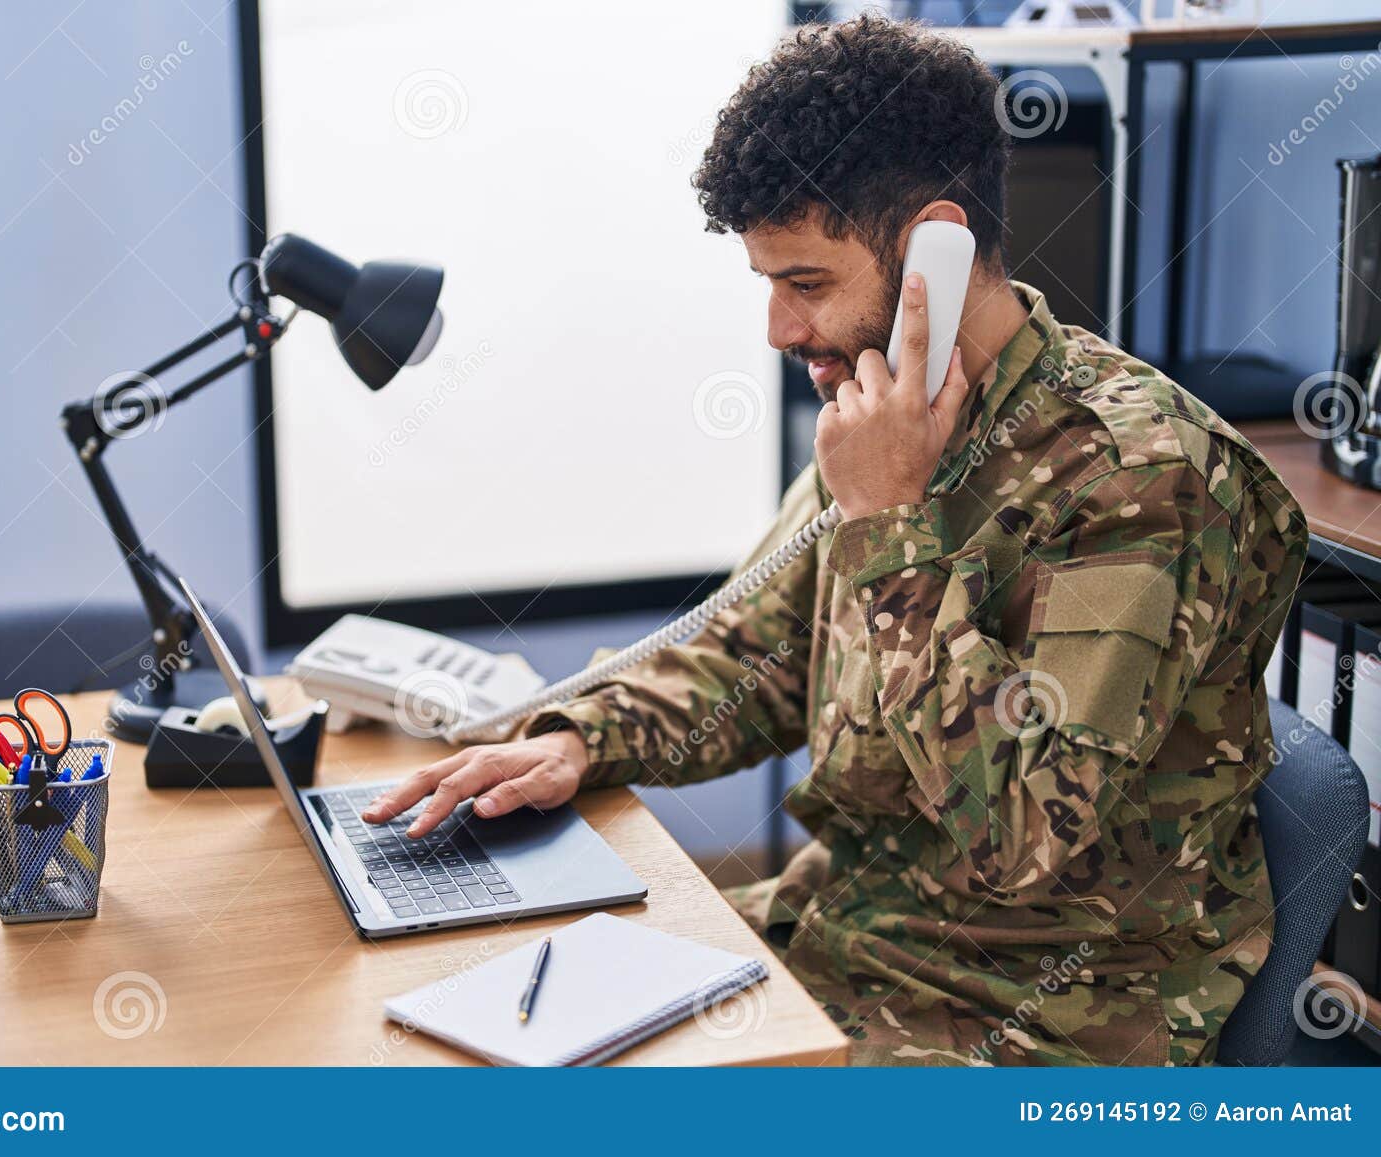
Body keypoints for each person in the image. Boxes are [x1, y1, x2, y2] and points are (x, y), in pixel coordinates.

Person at [363, 15, 1308, 1066]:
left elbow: (1023, 837)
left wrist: (891, 526)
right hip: (844, 934)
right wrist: (579, 736)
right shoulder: (883, 421)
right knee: (448, 1018)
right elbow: (753, 658)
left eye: (805, 283)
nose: (775, 329)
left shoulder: (1142, 476)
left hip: (1030, 1016)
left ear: (932, 250)